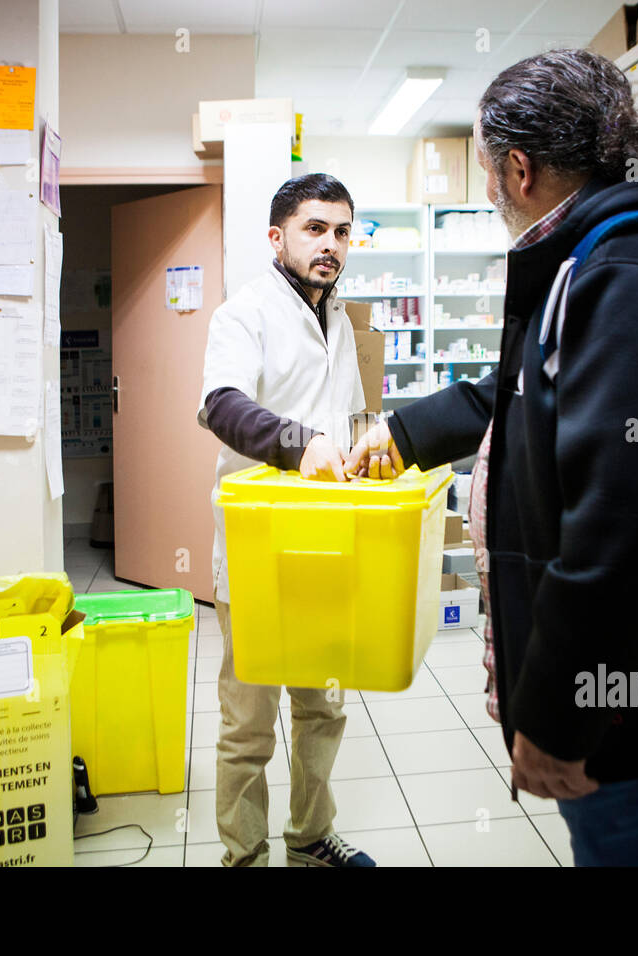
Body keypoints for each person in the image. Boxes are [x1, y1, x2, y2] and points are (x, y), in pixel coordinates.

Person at [347, 50, 638, 866]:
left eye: (491, 178)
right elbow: (529, 383)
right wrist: (404, 434)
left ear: (518, 170)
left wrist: (562, 721)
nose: (493, 197)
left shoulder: (631, 271)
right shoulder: (627, 246)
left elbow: (627, 532)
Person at [197, 174, 374, 868]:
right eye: (314, 229)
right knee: (248, 726)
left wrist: (369, 442)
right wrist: (303, 445)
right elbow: (222, 406)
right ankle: (245, 858)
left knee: (323, 708)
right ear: (277, 237)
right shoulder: (244, 315)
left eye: (340, 232)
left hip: (325, 549)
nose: (330, 244)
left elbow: (350, 417)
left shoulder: (337, 319)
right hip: (258, 551)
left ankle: (310, 837)